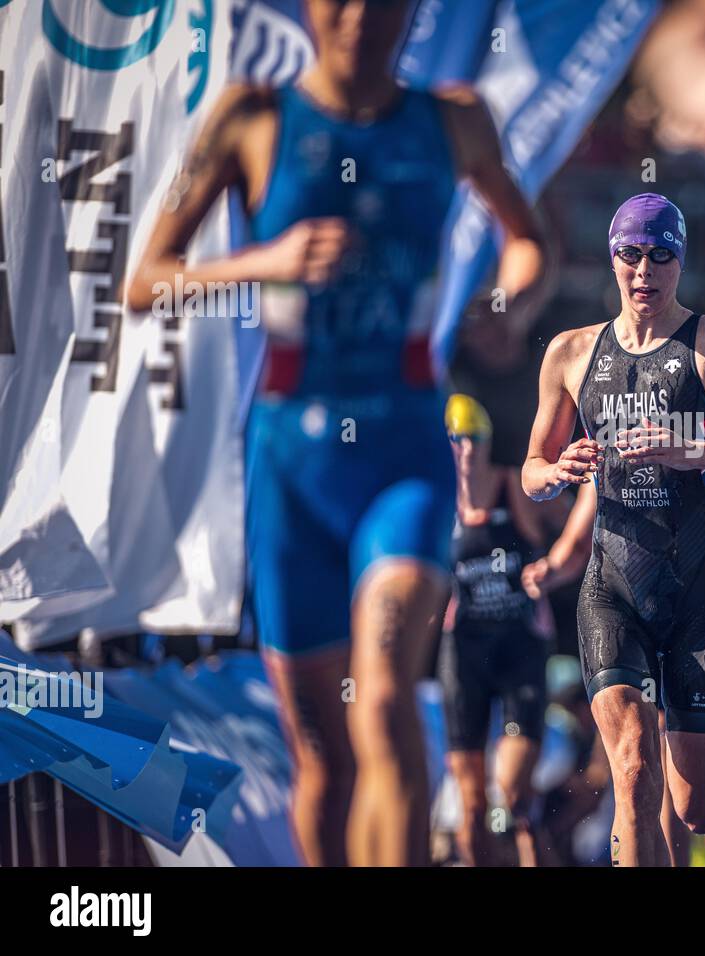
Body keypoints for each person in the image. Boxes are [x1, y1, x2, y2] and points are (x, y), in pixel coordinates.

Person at [126, 0, 546, 865]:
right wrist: (260, 262)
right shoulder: (252, 115)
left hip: (404, 456)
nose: (359, 16)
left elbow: (531, 241)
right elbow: (147, 279)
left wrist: (504, 306)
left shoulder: (455, 118)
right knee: (322, 752)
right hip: (290, 463)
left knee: (387, 695)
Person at [522, 192, 705, 866]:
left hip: (703, 591)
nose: (644, 270)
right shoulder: (569, 352)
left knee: (694, 808)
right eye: (631, 254)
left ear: (679, 262)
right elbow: (532, 467)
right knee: (630, 773)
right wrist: (559, 467)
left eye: (661, 255)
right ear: (612, 257)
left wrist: (698, 451)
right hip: (613, 588)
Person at [440, 394, 570, 866]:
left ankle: (533, 842)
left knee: (513, 795)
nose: (467, 450)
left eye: (474, 439)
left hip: (519, 648)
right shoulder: (437, 503)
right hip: (465, 652)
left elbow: (582, 522)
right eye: (457, 440)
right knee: (472, 804)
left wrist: (553, 568)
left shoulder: (512, 487)